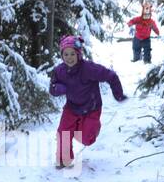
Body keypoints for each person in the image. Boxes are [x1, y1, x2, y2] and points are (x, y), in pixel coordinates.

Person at [49, 35, 126, 168]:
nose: (69, 57)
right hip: (72, 107)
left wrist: (118, 94)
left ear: (79, 54)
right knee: (64, 131)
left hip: (91, 108)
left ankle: (91, 129)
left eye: (72, 53)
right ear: (62, 55)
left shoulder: (89, 69)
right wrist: (57, 89)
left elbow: (111, 76)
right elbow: (52, 87)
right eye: (66, 54)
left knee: (86, 139)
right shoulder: (59, 71)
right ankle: (64, 159)